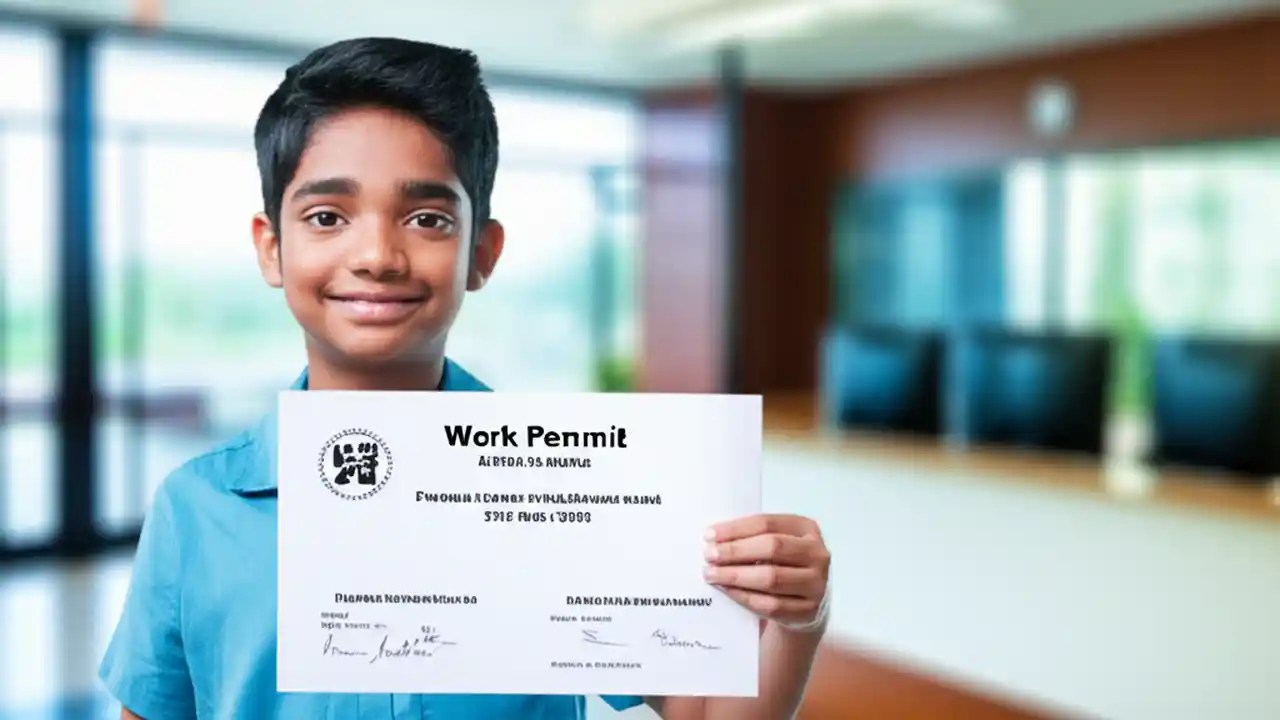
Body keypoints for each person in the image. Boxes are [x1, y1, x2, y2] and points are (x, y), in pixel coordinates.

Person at [99, 37, 832, 720]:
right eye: (326, 216)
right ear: (271, 248)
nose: (377, 256)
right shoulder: (196, 509)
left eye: (427, 219)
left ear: (482, 252)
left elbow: (704, 711)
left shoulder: (570, 494)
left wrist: (798, 622)